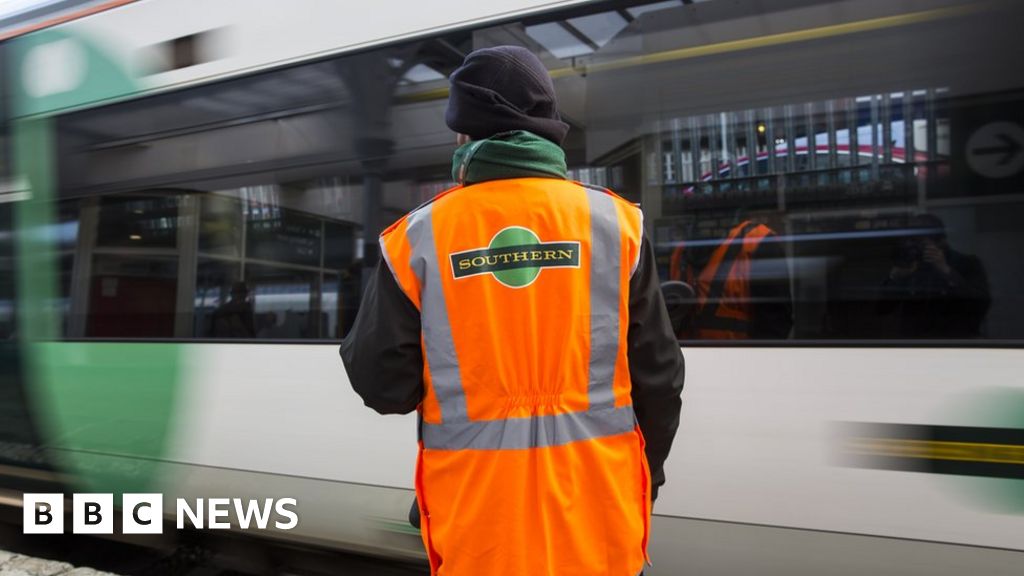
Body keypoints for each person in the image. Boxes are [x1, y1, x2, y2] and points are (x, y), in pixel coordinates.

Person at [340, 46, 684, 576]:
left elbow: (381, 385)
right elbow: (660, 378)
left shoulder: (416, 239)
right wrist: (644, 478)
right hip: (604, 521)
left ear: (464, 135)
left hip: (478, 531)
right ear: (547, 128)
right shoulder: (618, 225)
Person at [668, 214, 792, 339]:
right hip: (687, 355)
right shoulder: (680, 254)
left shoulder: (758, 243)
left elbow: (776, 328)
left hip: (741, 356)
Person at [878, 214, 990, 337]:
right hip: (914, 345)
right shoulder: (911, 264)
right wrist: (894, 278)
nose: (913, 246)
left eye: (919, 241)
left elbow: (980, 307)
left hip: (956, 343)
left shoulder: (966, 263)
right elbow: (883, 309)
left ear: (941, 242)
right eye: (910, 240)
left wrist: (947, 271)